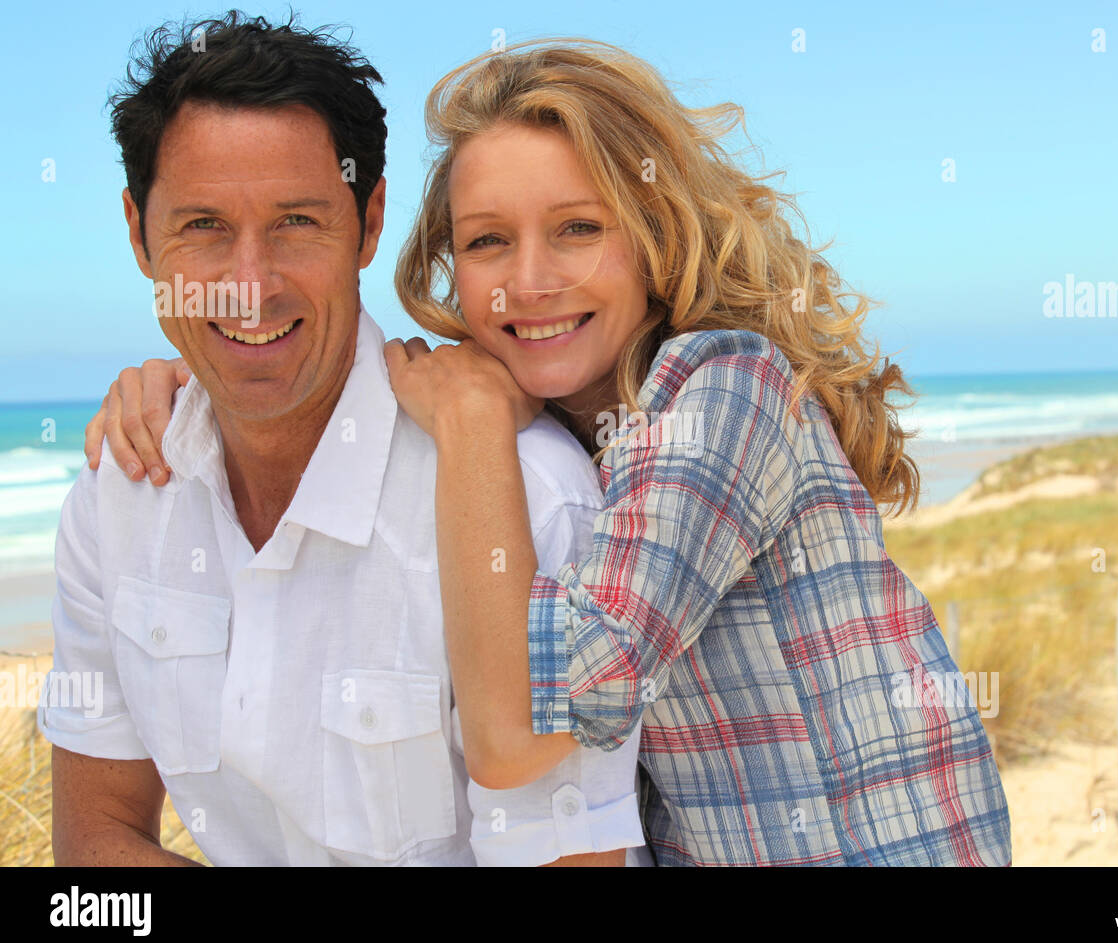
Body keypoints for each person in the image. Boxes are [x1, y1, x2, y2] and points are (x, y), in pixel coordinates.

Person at [92, 39, 1012, 866]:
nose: (530, 282)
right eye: (489, 241)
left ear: (655, 232)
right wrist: (205, 375)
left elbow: (521, 734)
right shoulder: (571, 423)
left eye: (578, 228)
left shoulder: (723, 391)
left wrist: (474, 430)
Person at [44, 13, 645, 867]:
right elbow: (93, 853)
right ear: (140, 234)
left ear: (368, 225)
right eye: (203, 226)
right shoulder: (117, 493)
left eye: (296, 222)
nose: (249, 286)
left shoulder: (526, 502)